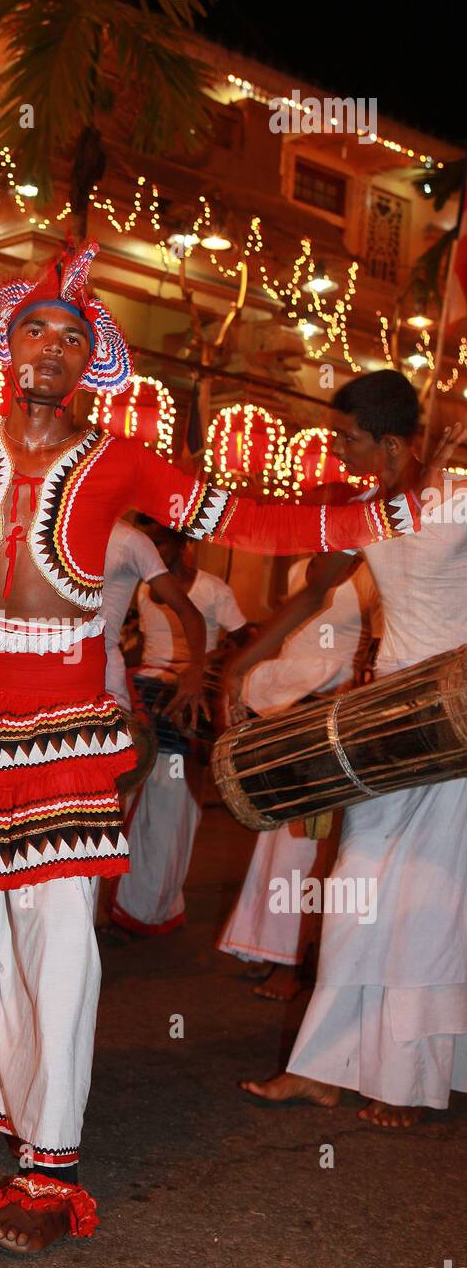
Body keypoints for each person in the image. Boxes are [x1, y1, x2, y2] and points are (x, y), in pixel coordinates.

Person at [0, 218, 431, 1253]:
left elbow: (243, 517)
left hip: (60, 725)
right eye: (34, 329)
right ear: (3, 344)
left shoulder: (123, 465)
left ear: (89, 367)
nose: (50, 349)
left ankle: (47, 1169)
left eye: (71, 339)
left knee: (56, 941)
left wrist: (371, 518)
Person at [228, 369, 467, 1127]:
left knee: (428, 898)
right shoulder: (367, 512)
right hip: (382, 721)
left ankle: (407, 1078)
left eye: (349, 437)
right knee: (355, 888)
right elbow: (309, 594)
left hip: (455, 718)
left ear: (392, 443)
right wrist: (239, 665)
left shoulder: (460, 503)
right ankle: (324, 1067)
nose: (338, 448)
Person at [217, 556, 380, 1001]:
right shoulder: (308, 565)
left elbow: (375, 643)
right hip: (290, 703)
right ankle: (271, 949)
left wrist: (347, 694)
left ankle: (298, 960)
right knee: (282, 835)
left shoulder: (375, 564)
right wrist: (244, 675)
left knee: (315, 842)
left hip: (336, 710)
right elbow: (292, 630)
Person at [109, 525, 250, 935]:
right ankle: (124, 904)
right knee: (129, 798)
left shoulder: (214, 590)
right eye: (150, 543)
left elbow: (245, 639)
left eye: (163, 542)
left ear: (186, 547)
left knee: (171, 808)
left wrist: (199, 671)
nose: (154, 550)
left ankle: (152, 908)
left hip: (184, 704)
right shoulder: (141, 588)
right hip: (144, 697)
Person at [96, 517, 206, 934]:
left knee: (102, 813)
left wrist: (195, 674)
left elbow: (190, 615)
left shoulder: (130, 542)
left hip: (105, 694)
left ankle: (100, 911)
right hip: (53, 688)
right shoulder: (55, 523)